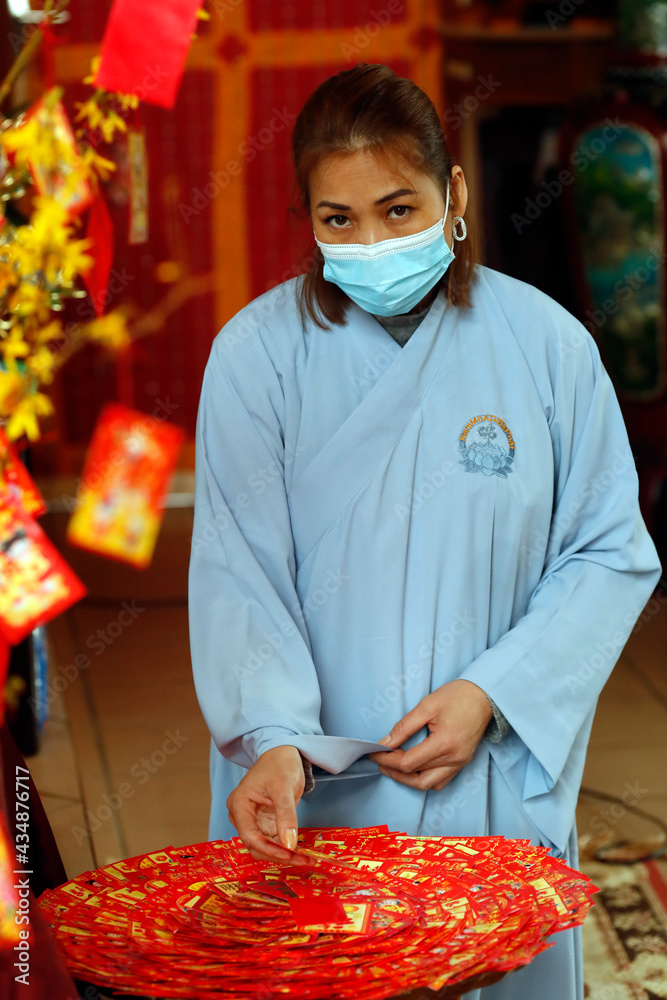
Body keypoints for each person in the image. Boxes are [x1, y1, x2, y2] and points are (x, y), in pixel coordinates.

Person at [188, 63, 662, 1000]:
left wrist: (493, 689)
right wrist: (274, 735)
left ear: (452, 195)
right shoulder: (254, 359)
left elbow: (609, 551)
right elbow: (239, 572)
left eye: (397, 209)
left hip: (486, 773)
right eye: (339, 220)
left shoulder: (548, 347)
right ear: (309, 221)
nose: (370, 241)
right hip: (317, 785)